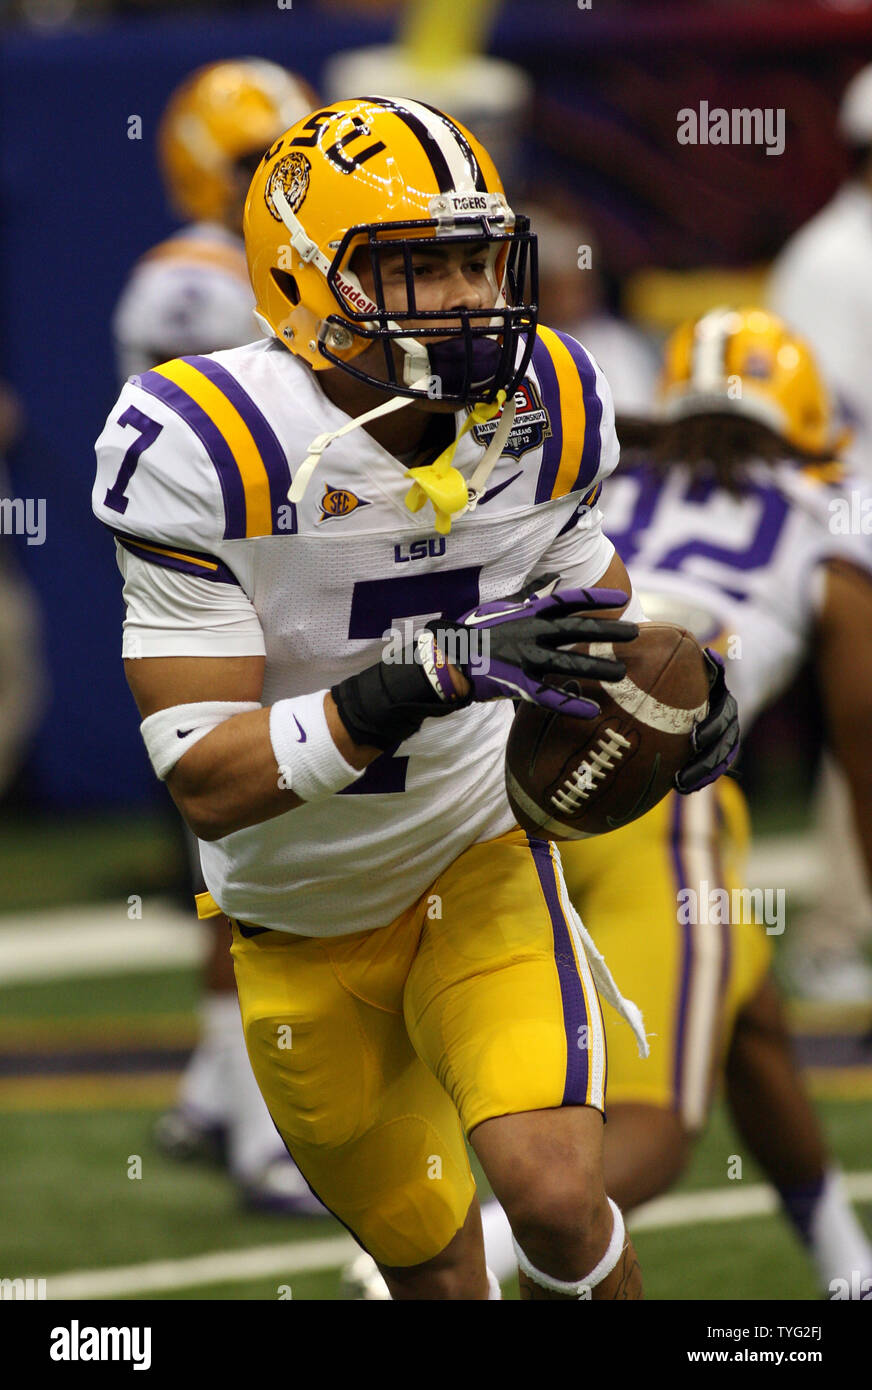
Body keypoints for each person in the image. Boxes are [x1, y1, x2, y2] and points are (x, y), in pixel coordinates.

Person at [93, 98, 738, 1300]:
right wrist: (418, 674)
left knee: (551, 1196)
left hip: (475, 857)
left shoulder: (544, 396)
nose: (459, 296)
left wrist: (672, 695)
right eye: (411, 266)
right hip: (295, 921)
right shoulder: (207, 441)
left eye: (473, 259)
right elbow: (208, 779)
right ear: (303, 278)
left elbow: (591, 607)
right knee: (436, 1276)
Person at [344, 305, 872, 1300]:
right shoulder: (828, 511)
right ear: (809, 421)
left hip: (496, 759)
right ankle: (463, 1256)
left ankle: (845, 1266)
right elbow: (860, 734)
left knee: (741, 1006)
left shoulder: (598, 459)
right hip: (650, 793)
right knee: (658, 1130)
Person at [112, 57, 324, 1212]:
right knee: (247, 871)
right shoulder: (191, 280)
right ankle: (264, 1140)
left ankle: (209, 1093)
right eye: (252, 162)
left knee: (251, 876)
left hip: (282, 588)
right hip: (222, 599)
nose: (272, 184)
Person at [768, 63, 872, 1002]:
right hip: (851, 518)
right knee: (863, 728)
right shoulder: (834, 256)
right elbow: (823, 416)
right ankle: (838, 936)